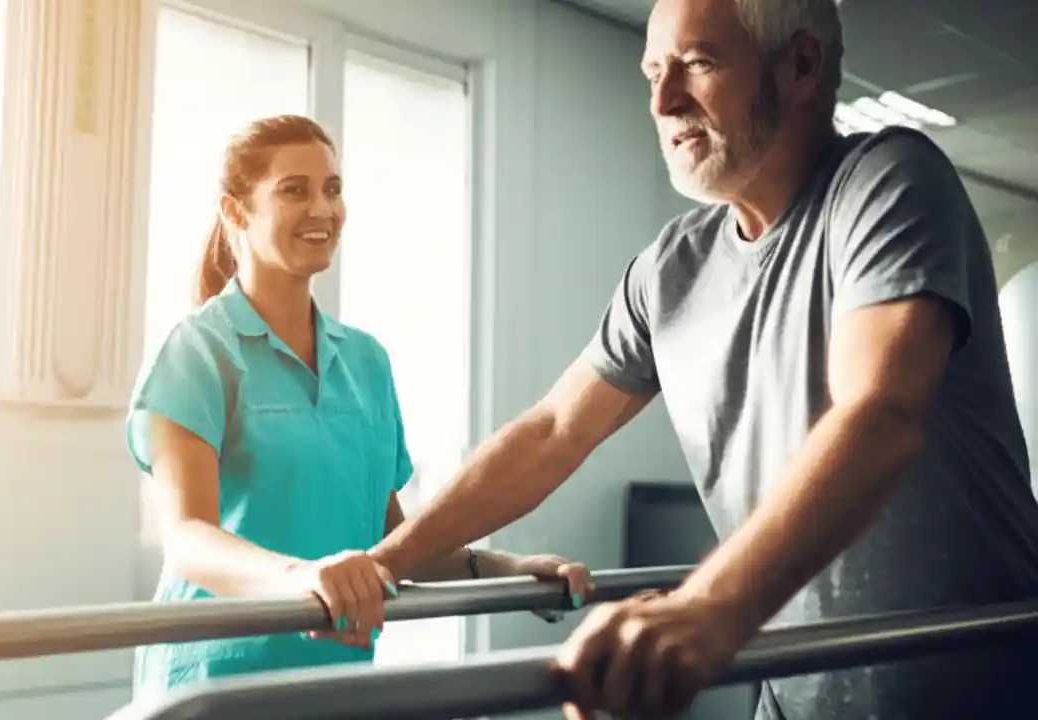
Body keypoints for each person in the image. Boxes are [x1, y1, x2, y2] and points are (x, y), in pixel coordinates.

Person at [369, 0, 1038, 717]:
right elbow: (555, 430)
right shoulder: (670, 270)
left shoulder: (887, 183)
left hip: (975, 684)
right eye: (654, 72)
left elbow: (878, 410)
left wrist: (711, 607)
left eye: (698, 63)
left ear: (801, 65)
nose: (663, 101)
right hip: (797, 693)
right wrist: (385, 564)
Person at [126, 114, 592, 696]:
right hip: (212, 682)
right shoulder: (196, 349)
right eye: (294, 190)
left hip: (335, 680)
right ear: (235, 212)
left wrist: (505, 569)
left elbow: (393, 542)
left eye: (333, 188)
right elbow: (189, 535)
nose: (322, 208)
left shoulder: (366, 362)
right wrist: (304, 576)